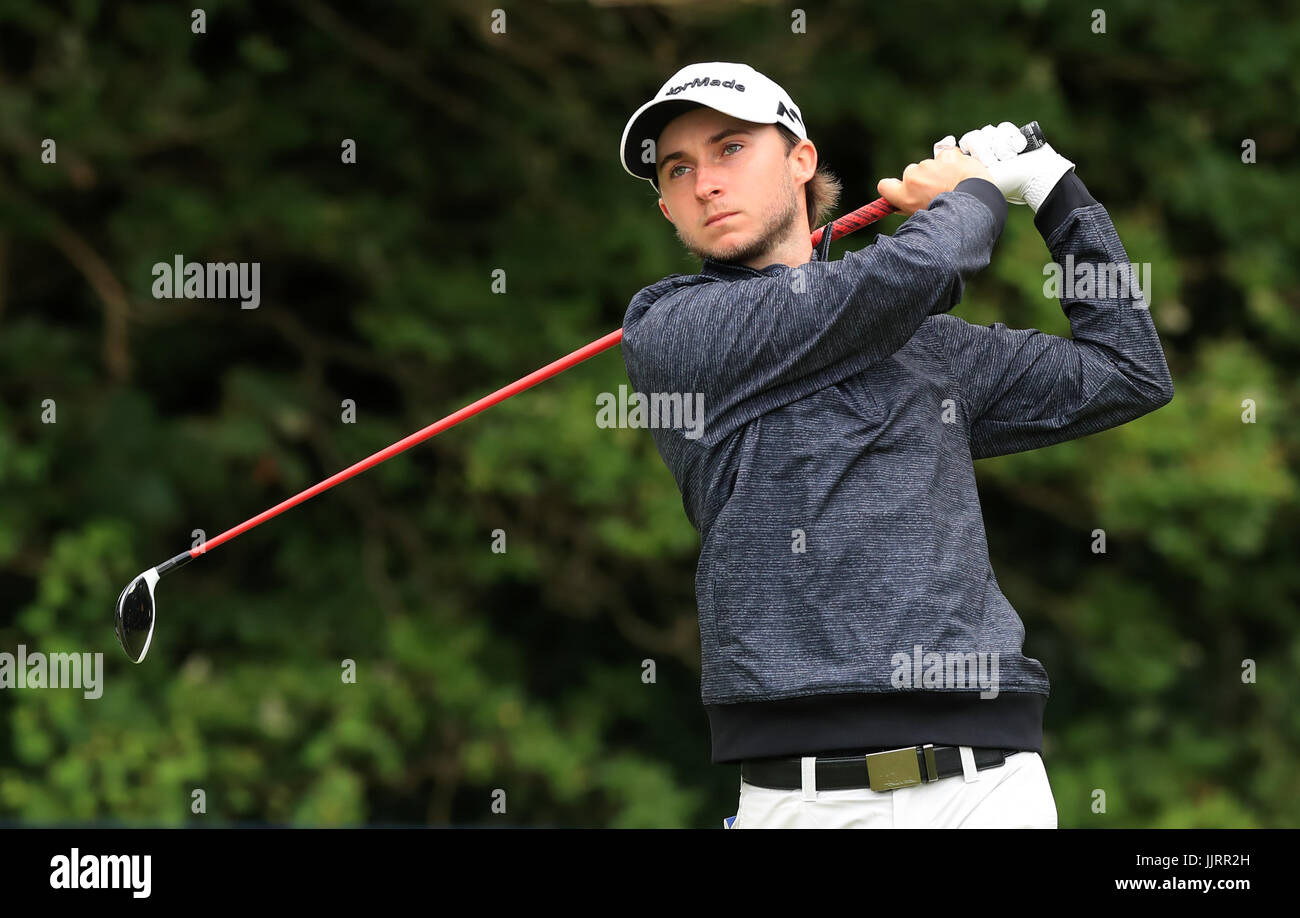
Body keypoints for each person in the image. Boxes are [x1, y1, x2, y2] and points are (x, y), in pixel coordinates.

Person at [617, 62, 1174, 828]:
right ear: (667, 207)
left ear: (801, 160)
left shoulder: (929, 349)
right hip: (801, 800)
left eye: (730, 149)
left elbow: (1129, 370)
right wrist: (972, 190)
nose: (705, 182)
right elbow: (927, 263)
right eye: (679, 170)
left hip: (988, 787)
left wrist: (1054, 192)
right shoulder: (671, 333)